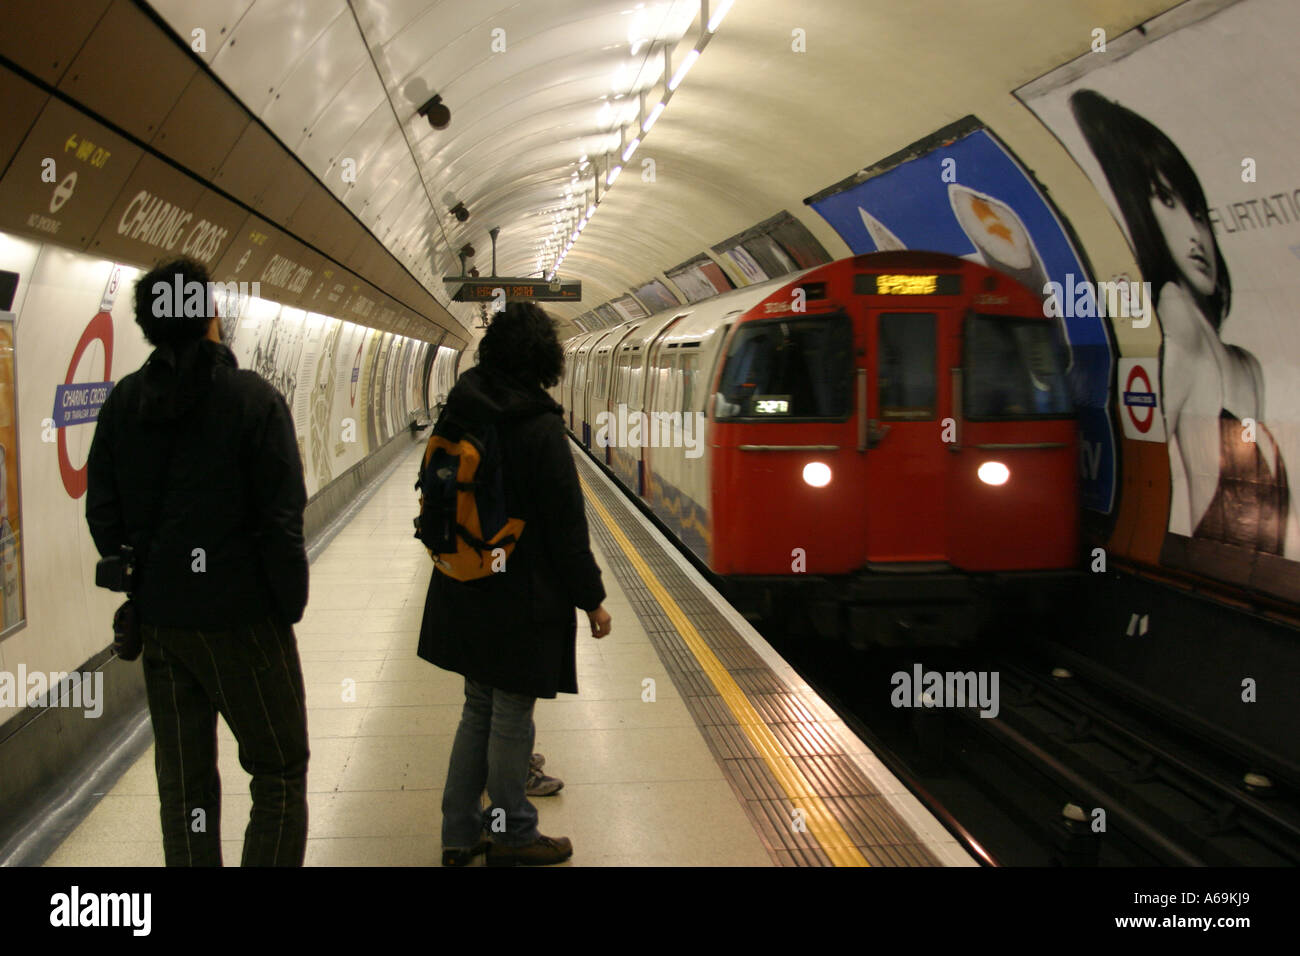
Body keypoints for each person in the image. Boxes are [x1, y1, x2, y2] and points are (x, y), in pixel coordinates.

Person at [86, 256, 310, 866]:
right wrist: (284, 604)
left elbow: (102, 514)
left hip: (161, 627)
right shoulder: (254, 401)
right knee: (279, 768)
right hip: (245, 624)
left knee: (184, 785)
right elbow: (283, 520)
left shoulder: (123, 404)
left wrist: (142, 573)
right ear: (210, 316)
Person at [419, 301, 611, 867]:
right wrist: (592, 599)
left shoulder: (461, 406)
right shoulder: (538, 425)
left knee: (478, 706)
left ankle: (460, 835)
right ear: (544, 359)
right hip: (519, 594)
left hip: (466, 581)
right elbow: (565, 526)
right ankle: (511, 835)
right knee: (510, 715)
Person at [1071, 89, 1294, 556]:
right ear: (1139, 208)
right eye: (1165, 200)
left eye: (1197, 210)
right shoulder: (1178, 333)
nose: (1196, 233)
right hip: (1236, 566)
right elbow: (1142, 468)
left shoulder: (1243, 362)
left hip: (1235, 566)